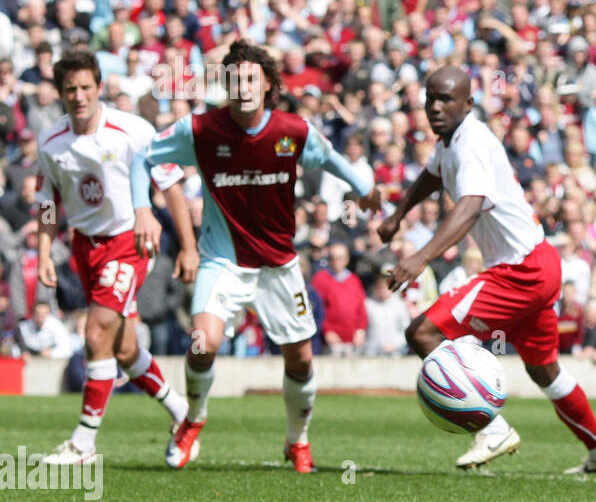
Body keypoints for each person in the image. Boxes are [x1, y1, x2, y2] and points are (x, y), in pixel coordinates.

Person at [131, 40, 381, 472]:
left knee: (300, 358)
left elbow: (334, 159)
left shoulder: (294, 130)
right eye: (235, 79)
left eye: (251, 78)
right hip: (222, 261)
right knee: (201, 342)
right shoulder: (200, 129)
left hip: (278, 266)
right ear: (225, 84)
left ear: (268, 84)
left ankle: (296, 442)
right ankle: (193, 419)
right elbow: (144, 157)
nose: (243, 86)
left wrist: (363, 189)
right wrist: (140, 209)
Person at [379, 66, 596, 474]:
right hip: (539, 263)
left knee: (421, 331)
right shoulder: (451, 141)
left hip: (518, 270)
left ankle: (493, 428)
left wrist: (421, 257)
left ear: (468, 104)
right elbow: (432, 175)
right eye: (431, 99)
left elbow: (471, 206)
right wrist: (399, 214)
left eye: (446, 99)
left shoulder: (472, 142)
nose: (436, 107)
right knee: (544, 370)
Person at [35, 49, 198, 466]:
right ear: (60, 93)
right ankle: (184, 413)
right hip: (85, 247)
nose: (79, 95)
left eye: (86, 87)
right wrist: (43, 252)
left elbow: (172, 186)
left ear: (99, 87)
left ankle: (83, 442)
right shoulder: (52, 143)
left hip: (128, 242)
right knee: (123, 349)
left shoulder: (133, 131)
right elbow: (48, 202)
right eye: (70, 88)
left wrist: (188, 246)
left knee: (96, 334)